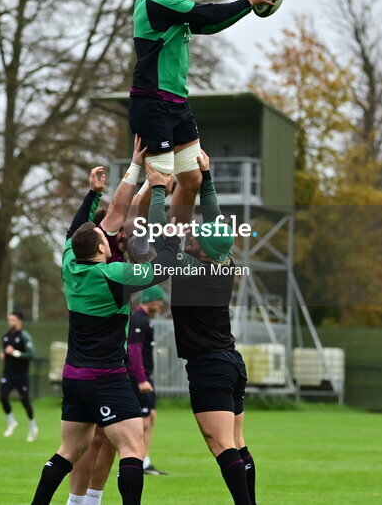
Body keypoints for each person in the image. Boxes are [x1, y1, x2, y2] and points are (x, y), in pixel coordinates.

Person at [30, 166, 182, 505]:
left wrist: (96, 191)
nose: (107, 234)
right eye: (103, 236)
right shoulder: (114, 275)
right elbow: (166, 265)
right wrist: (172, 234)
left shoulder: (71, 263)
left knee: (68, 450)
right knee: (132, 447)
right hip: (106, 376)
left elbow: (80, 228)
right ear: (101, 249)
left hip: (73, 375)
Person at [144, 154, 257, 505]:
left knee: (220, 445)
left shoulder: (191, 267)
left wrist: (160, 191)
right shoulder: (224, 260)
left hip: (210, 366)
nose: (191, 234)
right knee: (237, 443)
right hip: (230, 362)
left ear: (201, 250)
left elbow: (157, 228)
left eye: (195, 236)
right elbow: (214, 217)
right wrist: (206, 176)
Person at [129, 0, 278, 221]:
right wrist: (248, 1)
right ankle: (128, 237)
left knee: (192, 178)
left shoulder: (172, 8)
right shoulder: (155, 1)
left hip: (177, 104)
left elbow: (209, 25)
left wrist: (248, 7)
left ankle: (177, 244)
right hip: (153, 102)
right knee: (161, 182)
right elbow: (206, 13)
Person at [129, 285, 168, 476]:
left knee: (150, 418)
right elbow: (134, 351)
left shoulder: (146, 320)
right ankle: (137, 462)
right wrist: (141, 379)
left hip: (147, 378)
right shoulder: (138, 319)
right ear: (151, 300)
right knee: (142, 422)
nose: (161, 305)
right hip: (140, 380)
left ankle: (145, 461)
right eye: (159, 301)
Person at [0, 310, 37, 441]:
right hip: (8, 373)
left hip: (21, 375)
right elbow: (3, 349)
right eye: (9, 320)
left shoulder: (25, 337)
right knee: (3, 396)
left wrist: (15, 352)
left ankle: (33, 426)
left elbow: (30, 355)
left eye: (12, 320)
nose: (10, 322)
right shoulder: (6, 336)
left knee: (24, 400)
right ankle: (11, 421)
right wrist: (3, 353)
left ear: (19, 321)